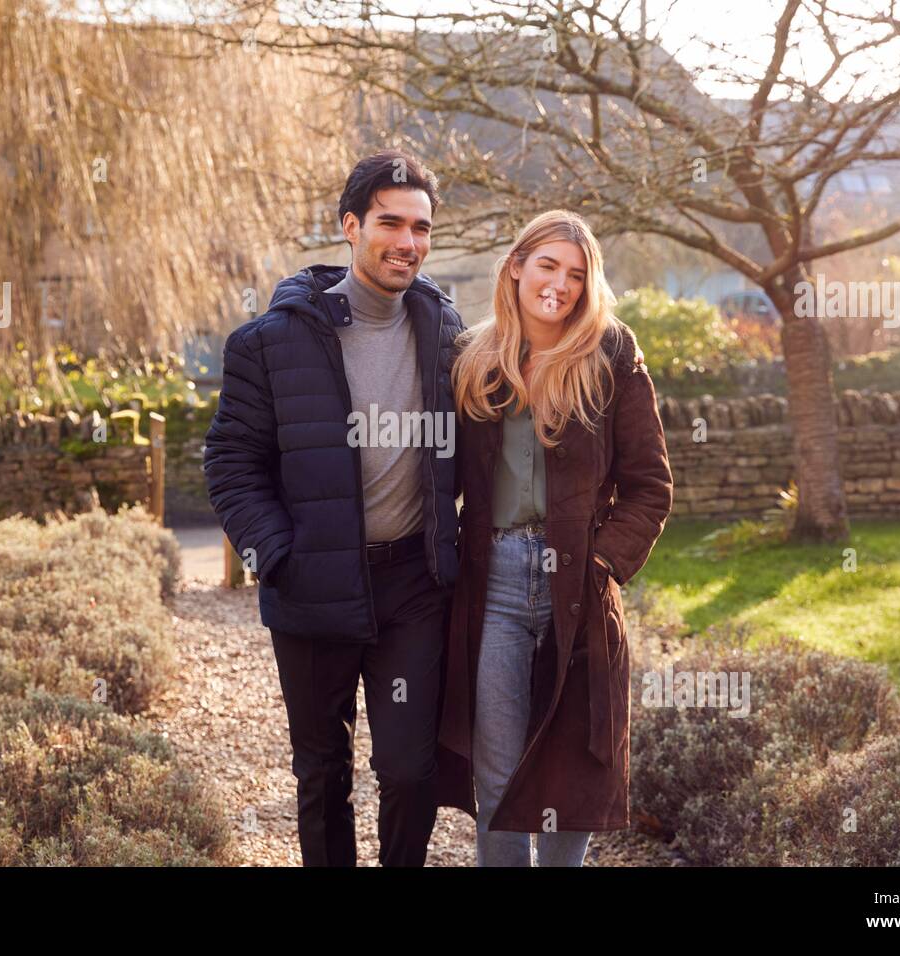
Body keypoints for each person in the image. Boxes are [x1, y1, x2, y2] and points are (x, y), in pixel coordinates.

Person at [203, 149, 464, 866]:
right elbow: (230, 463)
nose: (407, 242)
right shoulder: (270, 343)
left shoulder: (446, 332)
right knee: (322, 774)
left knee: (412, 770)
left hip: (412, 585)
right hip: (313, 586)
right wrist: (275, 555)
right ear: (350, 226)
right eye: (390, 223)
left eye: (421, 227)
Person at [435, 209, 673, 866]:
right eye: (548, 266)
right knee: (499, 774)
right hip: (497, 587)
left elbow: (650, 486)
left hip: (580, 587)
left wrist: (601, 564)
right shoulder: (471, 360)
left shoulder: (612, 355)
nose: (561, 285)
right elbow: (438, 478)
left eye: (576, 273)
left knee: (575, 771)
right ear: (515, 267)